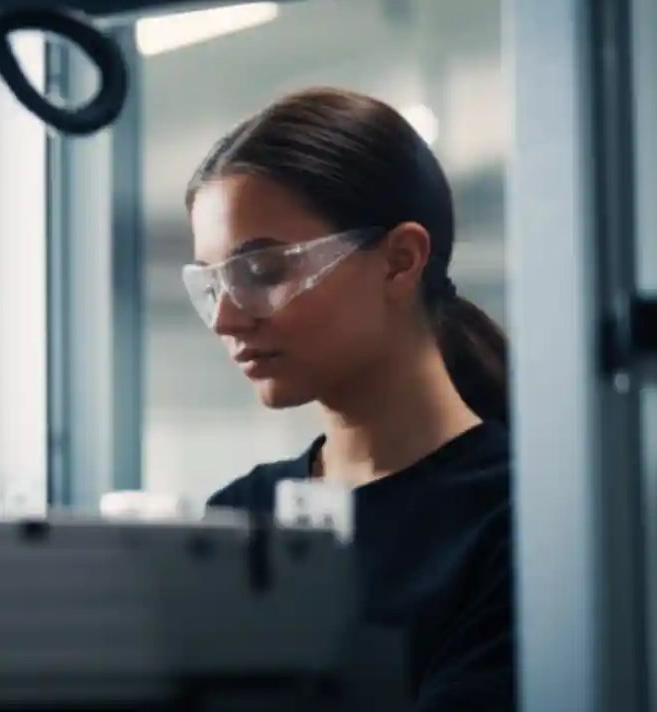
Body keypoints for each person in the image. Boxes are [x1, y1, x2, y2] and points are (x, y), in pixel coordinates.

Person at [187, 87, 513, 710]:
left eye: (260, 271)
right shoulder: (240, 517)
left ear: (399, 260)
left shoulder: (521, 520)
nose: (226, 320)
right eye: (212, 283)